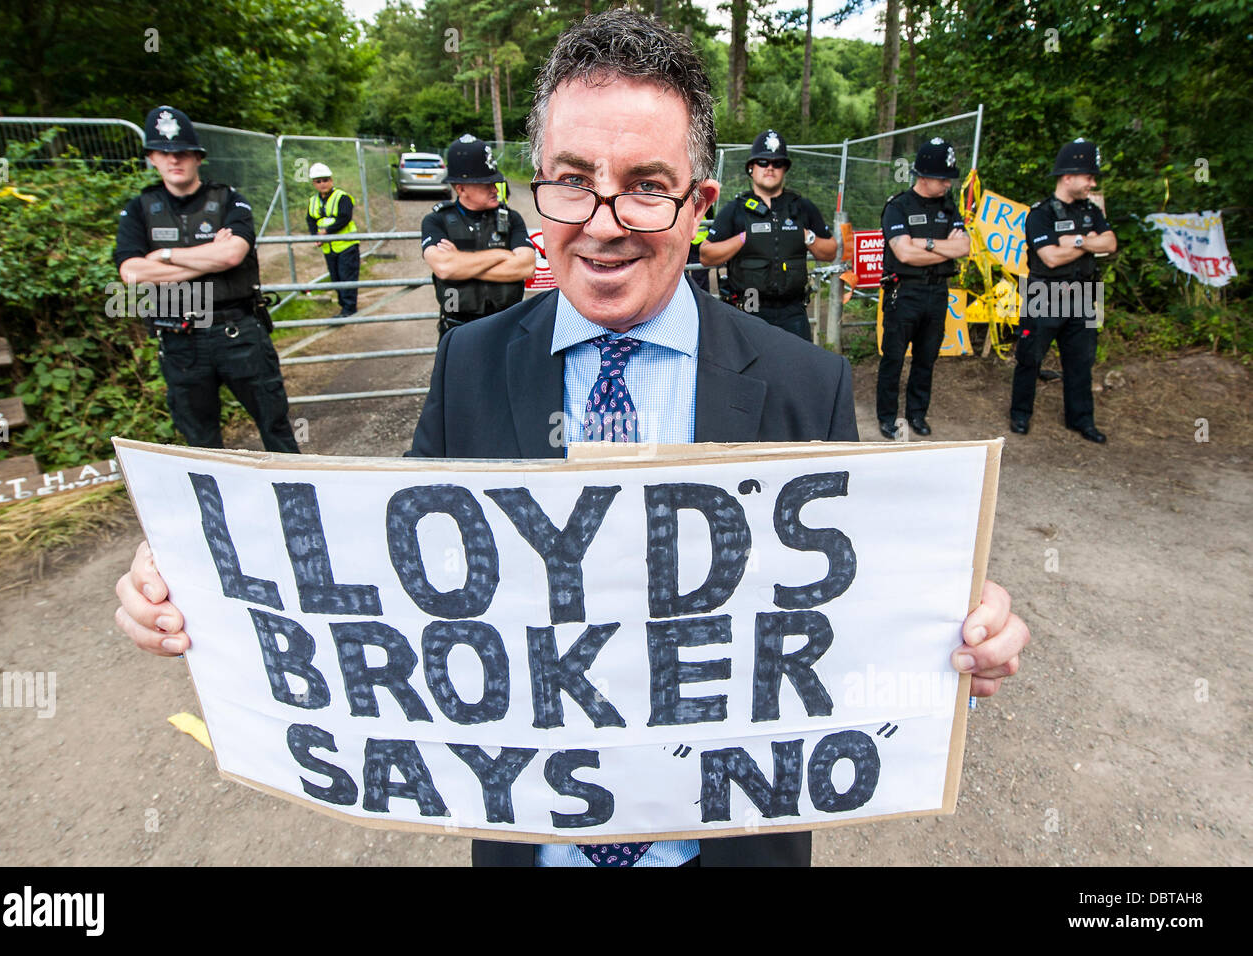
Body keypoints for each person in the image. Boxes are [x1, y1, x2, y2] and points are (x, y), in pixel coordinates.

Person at [115, 11, 1030, 868]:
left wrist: (953, 617)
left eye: (646, 189)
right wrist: (200, 581)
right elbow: (380, 568)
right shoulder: (469, 366)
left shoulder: (806, 384)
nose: (600, 223)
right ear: (538, 187)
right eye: (572, 180)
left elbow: (853, 598)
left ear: (700, 202)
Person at [114, 106, 299, 453]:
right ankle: (216, 506)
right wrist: (207, 259)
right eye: (164, 153)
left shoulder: (229, 200)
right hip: (179, 340)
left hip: (236, 332)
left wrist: (165, 256)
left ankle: (297, 502)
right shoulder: (139, 209)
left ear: (198, 157)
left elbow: (232, 255)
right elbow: (133, 273)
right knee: (200, 444)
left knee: (276, 428)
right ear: (152, 157)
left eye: (183, 152)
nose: (174, 160)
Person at [1010, 139, 1116, 443]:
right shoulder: (1040, 213)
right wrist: (1088, 242)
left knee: (1082, 361)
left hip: (1085, 294)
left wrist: (1076, 241)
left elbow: (1110, 244)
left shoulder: (1091, 211)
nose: (1092, 183)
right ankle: (1020, 414)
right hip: (1045, 292)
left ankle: (1081, 420)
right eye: (1089, 177)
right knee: (1030, 357)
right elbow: (1050, 257)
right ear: (1068, 177)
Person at [698, 130, 837, 341]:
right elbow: (706, 255)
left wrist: (807, 236)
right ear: (751, 168)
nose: (770, 167)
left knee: (798, 372)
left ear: (785, 169)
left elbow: (830, 251)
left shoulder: (801, 207)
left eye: (777, 163)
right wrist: (745, 238)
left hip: (793, 311)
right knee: (752, 372)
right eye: (763, 162)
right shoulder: (736, 209)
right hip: (749, 309)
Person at [875, 138, 970, 440]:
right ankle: (888, 416)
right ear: (924, 176)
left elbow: (964, 247)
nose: (947, 184)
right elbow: (903, 253)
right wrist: (945, 248)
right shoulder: (898, 207)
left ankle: (917, 413)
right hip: (904, 293)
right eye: (943, 178)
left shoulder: (948, 207)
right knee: (893, 358)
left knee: (927, 358)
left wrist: (925, 243)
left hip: (937, 292)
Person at [420, 135, 535, 341]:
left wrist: (462, 265)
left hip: (506, 328)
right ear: (461, 188)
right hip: (458, 330)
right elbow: (445, 268)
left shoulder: (511, 219)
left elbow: (525, 267)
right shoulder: (437, 221)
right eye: (485, 184)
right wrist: (503, 254)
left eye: (494, 182)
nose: (494, 189)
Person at [305, 163, 359, 318]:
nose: (322, 184)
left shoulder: (342, 197)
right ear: (314, 183)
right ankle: (344, 306)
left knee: (346, 276)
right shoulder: (313, 200)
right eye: (318, 181)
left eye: (325, 180)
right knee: (335, 277)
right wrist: (315, 236)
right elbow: (310, 219)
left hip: (346, 245)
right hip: (329, 247)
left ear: (331, 180)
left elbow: (345, 217)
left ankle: (349, 308)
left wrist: (326, 232)